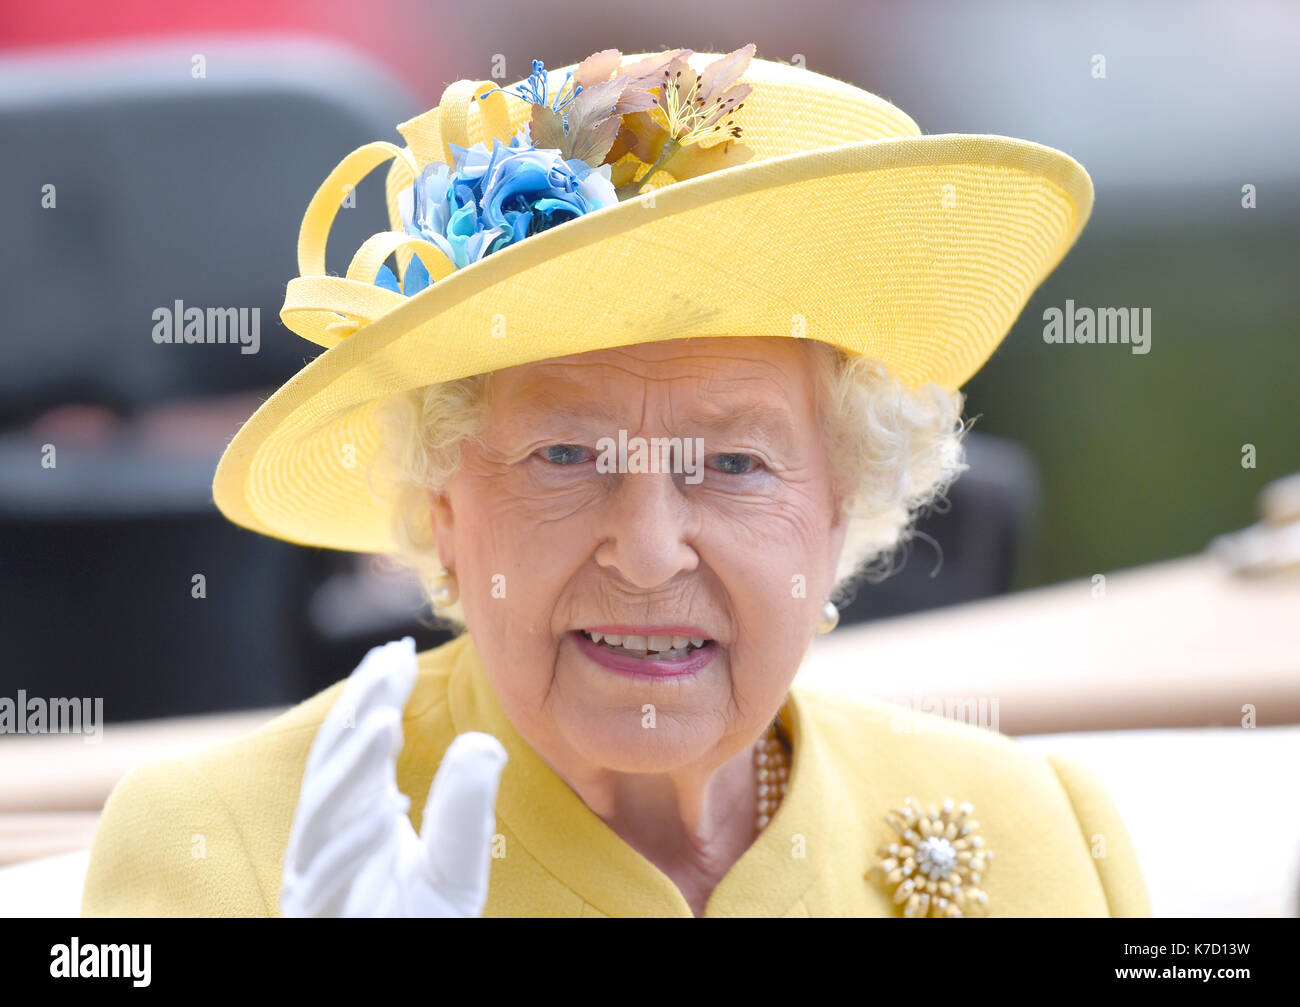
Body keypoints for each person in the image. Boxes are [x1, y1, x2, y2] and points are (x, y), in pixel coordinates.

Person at [81, 45, 1149, 918]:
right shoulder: (219, 848)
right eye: (567, 456)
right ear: (443, 505)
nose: (645, 550)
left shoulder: (1041, 837)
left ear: (841, 506)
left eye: (732, 463)